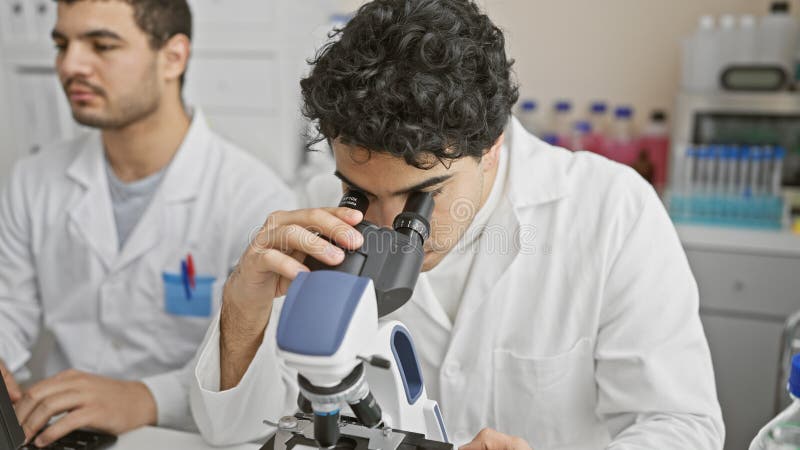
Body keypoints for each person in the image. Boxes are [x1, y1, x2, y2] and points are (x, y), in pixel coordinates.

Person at [189, 0, 725, 449]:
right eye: (360, 192)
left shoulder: (611, 211)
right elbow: (234, 432)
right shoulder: (317, 211)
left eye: (420, 198)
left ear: (491, 147)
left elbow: (683, 426)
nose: (381, 226)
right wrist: (243, 308)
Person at [0, 0, 294, 446]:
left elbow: (260, 380)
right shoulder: (32, 179)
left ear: (173, 57)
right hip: (58, 431)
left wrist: (145, 398)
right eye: (62, 44)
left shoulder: (255, 200)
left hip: (184, 434)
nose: (69, 65)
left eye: (102, 45)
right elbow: (9, 310)